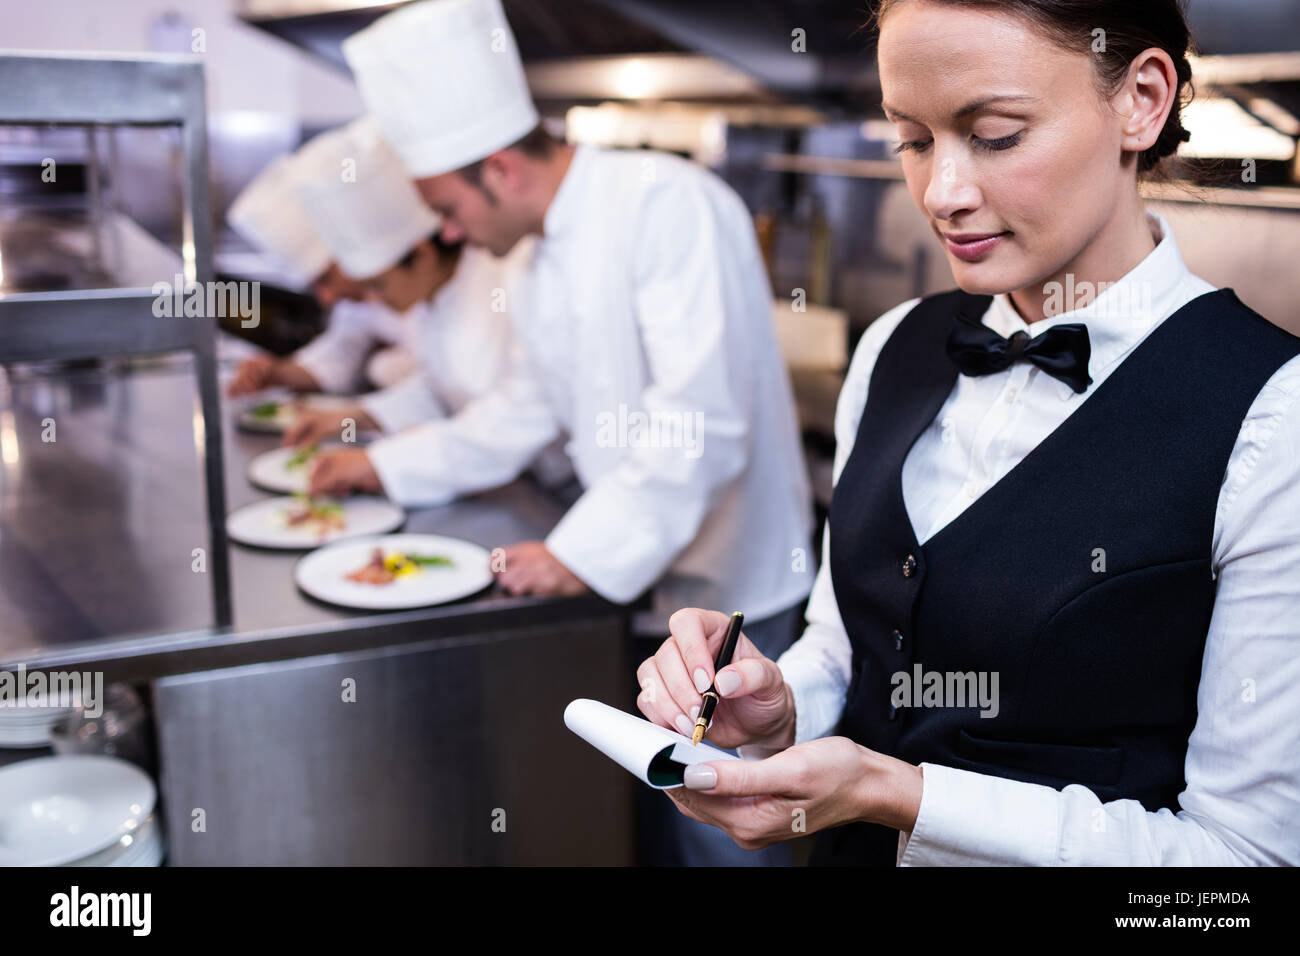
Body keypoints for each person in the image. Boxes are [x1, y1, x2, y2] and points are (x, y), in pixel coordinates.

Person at [636, 0, 1300, 866]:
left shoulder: (1270, 414)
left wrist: (900, 796)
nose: (942, 193)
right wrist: (777, 707)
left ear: (1140, 99)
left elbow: (1242, 863)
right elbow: (846, 647)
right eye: (912, 139)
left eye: (994, 135)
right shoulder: (895, 345)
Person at [339, 0, 814, 864]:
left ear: (499, 170)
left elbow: (700, 421)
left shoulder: (670, 204)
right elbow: (522, 407)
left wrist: (580, 550)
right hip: (638, 588)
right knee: (661, 819)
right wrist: (383, 465)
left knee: (734, 836)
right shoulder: (526, 256)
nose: (447, 232)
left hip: (733, 591)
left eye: (445, 206)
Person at [280, 118, 572, 490]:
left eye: (380, 285)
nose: (374, 301)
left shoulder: (510, 275)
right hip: (501, 483)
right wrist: (355, 418)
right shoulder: (434, 302)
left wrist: (383, 464)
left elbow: (516, 414)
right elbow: (439, 390)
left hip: (549, 487)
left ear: (422, 255)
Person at [225, 131, 416, 398]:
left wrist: (387, 368)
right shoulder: (358, 302)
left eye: (325, 279)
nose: (326, 299)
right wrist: (277, 373)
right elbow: (339, 356)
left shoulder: (421, 272)